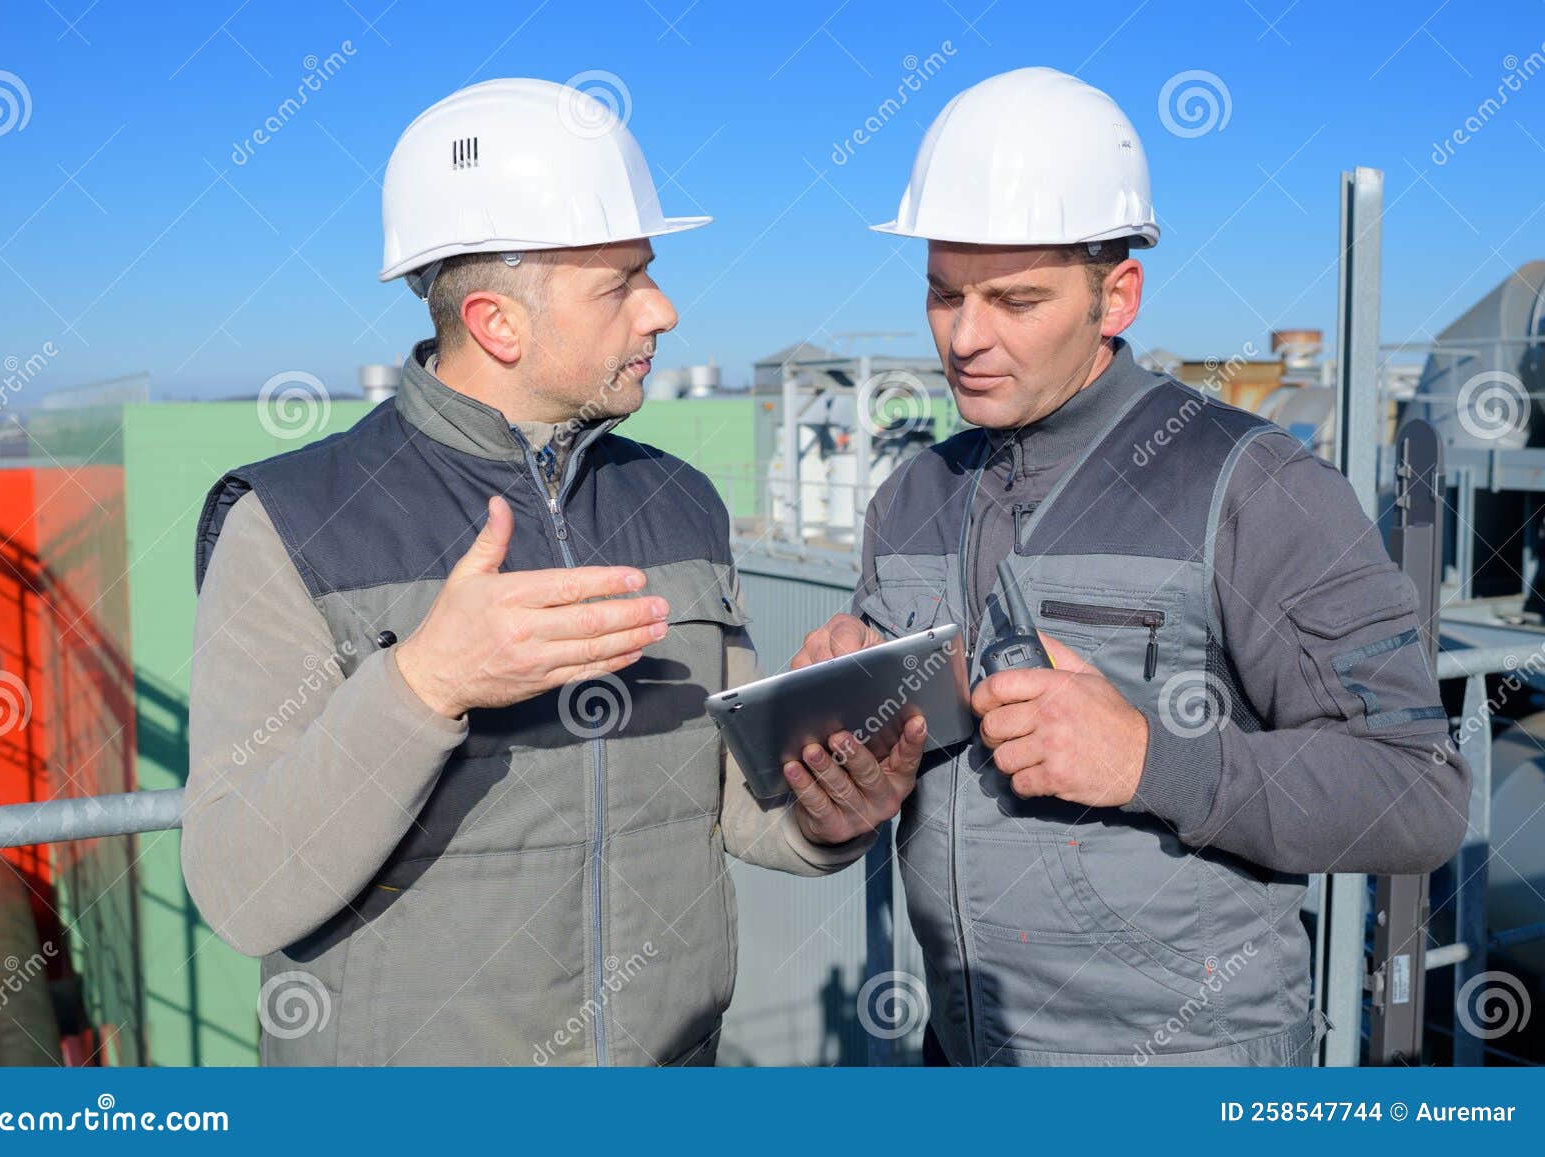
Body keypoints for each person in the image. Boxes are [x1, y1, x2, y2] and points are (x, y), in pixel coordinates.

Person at [181, 78, 921, 1066]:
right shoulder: (290, 523)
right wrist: (425, 683)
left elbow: (735, 806)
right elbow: (244, 886)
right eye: (621, 283)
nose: (662, 310)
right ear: (498, 323)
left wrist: (834, 810)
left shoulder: (680, 502)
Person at [793, 67, 1470, 1066]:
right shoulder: (912, 495)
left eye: (1014, 299)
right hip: (959, 1049)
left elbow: (1415, 791)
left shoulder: (1254, 483)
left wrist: (1155, 759)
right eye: (942, 295)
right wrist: (845, 736)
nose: (966, 337)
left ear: (1117, 294)